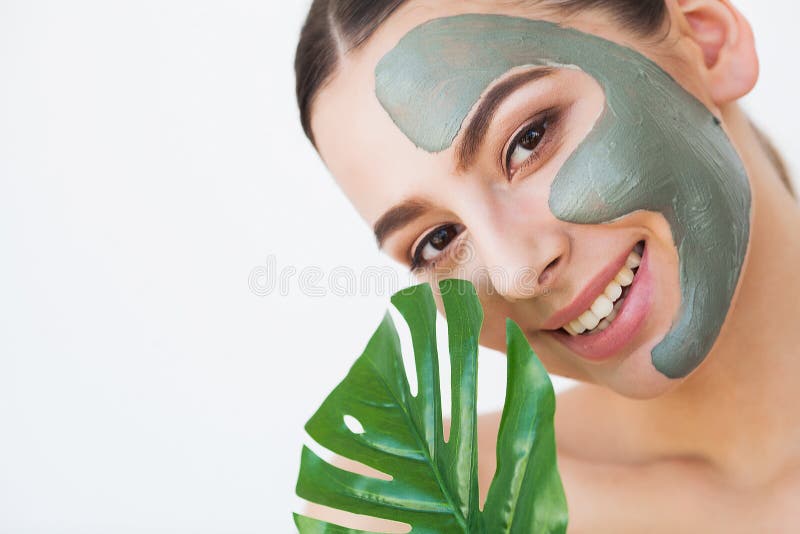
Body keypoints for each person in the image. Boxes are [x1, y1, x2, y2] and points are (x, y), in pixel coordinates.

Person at [294, 0, 800, 531]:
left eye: (528, 140)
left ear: (706, 39)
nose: (513, 271)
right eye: (438, 241)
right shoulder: (424, 507)